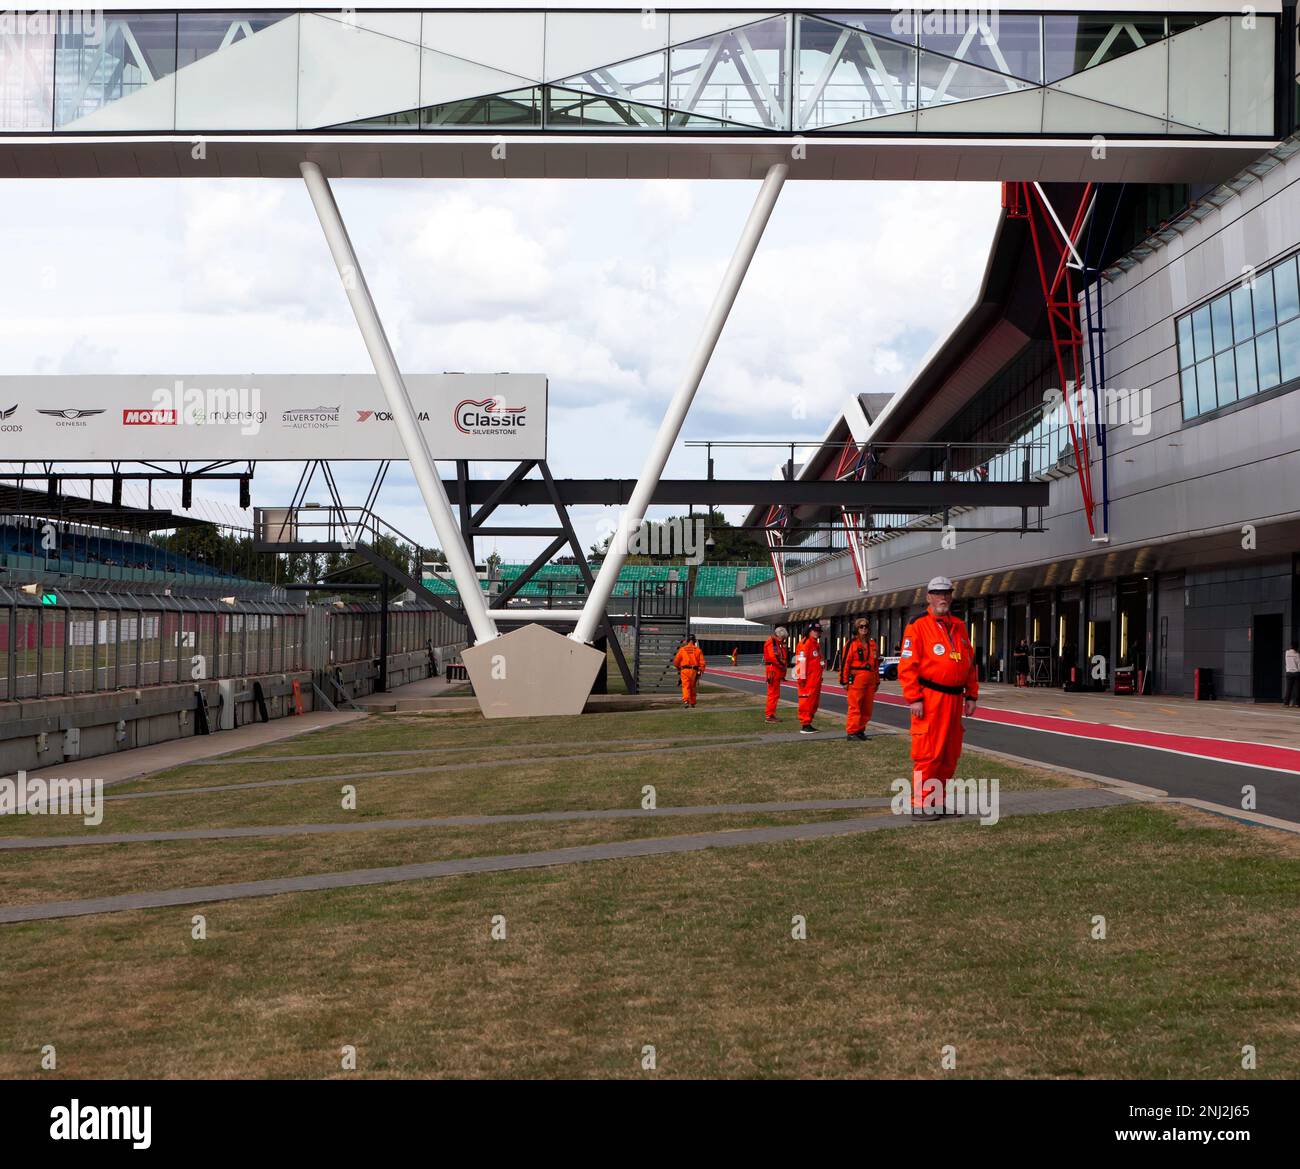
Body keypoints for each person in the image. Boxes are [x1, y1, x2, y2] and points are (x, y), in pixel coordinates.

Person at [899, 577, 978, 820]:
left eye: (946, 593)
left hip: (954, 700)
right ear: (928, 597)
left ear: (951, 596)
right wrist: (914, 698)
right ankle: (921, 804)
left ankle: (937, 801)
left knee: (949, 754)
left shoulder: (959, 626)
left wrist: (971, 694)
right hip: (930, 699)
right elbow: (907, 665)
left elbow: (969, 664)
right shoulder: (918, 625)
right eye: (937, 593)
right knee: (928, 753)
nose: (942, 597)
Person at [840, 617, 879, 741]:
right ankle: (852, 732)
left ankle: (861, 730)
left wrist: (877, 680)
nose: (864, 629)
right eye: (861, 626)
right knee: (855, 706)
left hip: (870, 679)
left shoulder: (872, 644)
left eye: (866, 626)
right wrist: (844, 680)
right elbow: (845, 663)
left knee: (867, 708)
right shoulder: (851, 644)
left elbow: (875, 664)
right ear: (856, 629)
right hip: (856, 678)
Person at [794, 620, 825, 734]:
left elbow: (817, 661)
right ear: (809, 631)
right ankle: (805, 725)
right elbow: (801, 661)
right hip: (807, 680)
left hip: (815, 679)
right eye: (814, 631)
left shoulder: (815, 644)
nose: (817, 633)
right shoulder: (805, 643)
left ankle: (808, 723)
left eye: (818, 631)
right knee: (806, 702)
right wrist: (801, 678)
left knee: (813, 703)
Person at [762, 625, 790, 722]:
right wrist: (782, 665)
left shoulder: (776, 643)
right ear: (779, 635)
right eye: (782, 637)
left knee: (774, 693)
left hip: (775, 670)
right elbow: (774, 657)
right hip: (773, 670)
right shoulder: (772, 642)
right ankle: (770, 715)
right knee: (773, 693)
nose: (783, 639)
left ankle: (770, 714)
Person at [673, 634, 705, 708]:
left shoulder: (682, 649)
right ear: (694, 641)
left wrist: (678, 668)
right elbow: (702, 663)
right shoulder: (698, 650)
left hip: (684, 670)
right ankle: (693, 702)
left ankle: (686, 700)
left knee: (685, 686)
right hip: (694, 671)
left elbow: (676, 661)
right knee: (692, 686)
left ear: (687, 641)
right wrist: (700, 671)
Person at [1286, 641, 1300, 707]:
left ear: (1291, 646)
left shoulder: (1287, 653)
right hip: (1296, 672)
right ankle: (1297, 703)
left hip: (1289, 672)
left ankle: (1286, 703)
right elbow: (1299, 664)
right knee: (1297, 688)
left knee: (1289, 688)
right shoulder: (1297, 654)